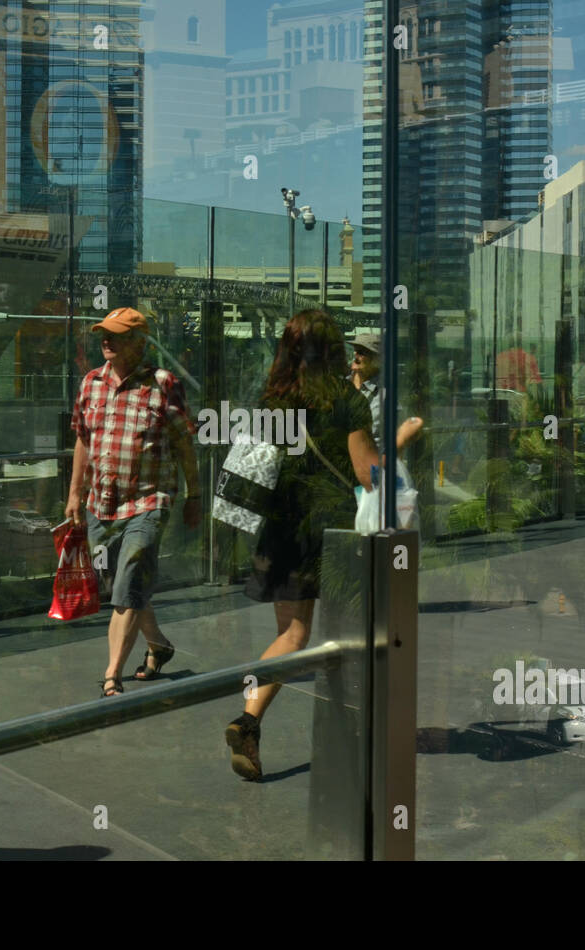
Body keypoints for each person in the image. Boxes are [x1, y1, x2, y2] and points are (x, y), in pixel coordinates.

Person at [227, 310, 422, 781]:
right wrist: (401, 439)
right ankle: (254, 719)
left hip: (276, 528)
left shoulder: (274, 399)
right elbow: (367, 474)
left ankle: (252, 723)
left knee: (290, 633)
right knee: (334, 635)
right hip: (324, 533)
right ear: (332, 352)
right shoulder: (345, 401)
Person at [65, 307, 200, 697]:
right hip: (101, 504)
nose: (106, 341)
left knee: (128, 582)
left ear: (139, 342)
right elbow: (83, 441)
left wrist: (195, 494)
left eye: (117, 335)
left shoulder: (163, 383)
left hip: (147, 502)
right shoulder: (91, 383)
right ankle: (158, 644)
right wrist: (74, 494)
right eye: (104, 334)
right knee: (122, 585)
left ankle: (112, 674)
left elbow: (183, 443)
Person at [349, 332, 382, 442]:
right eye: (354, 350)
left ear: (376, 360)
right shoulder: (340, 386)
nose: (355, 355)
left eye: (360, 352)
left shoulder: (384, 394)